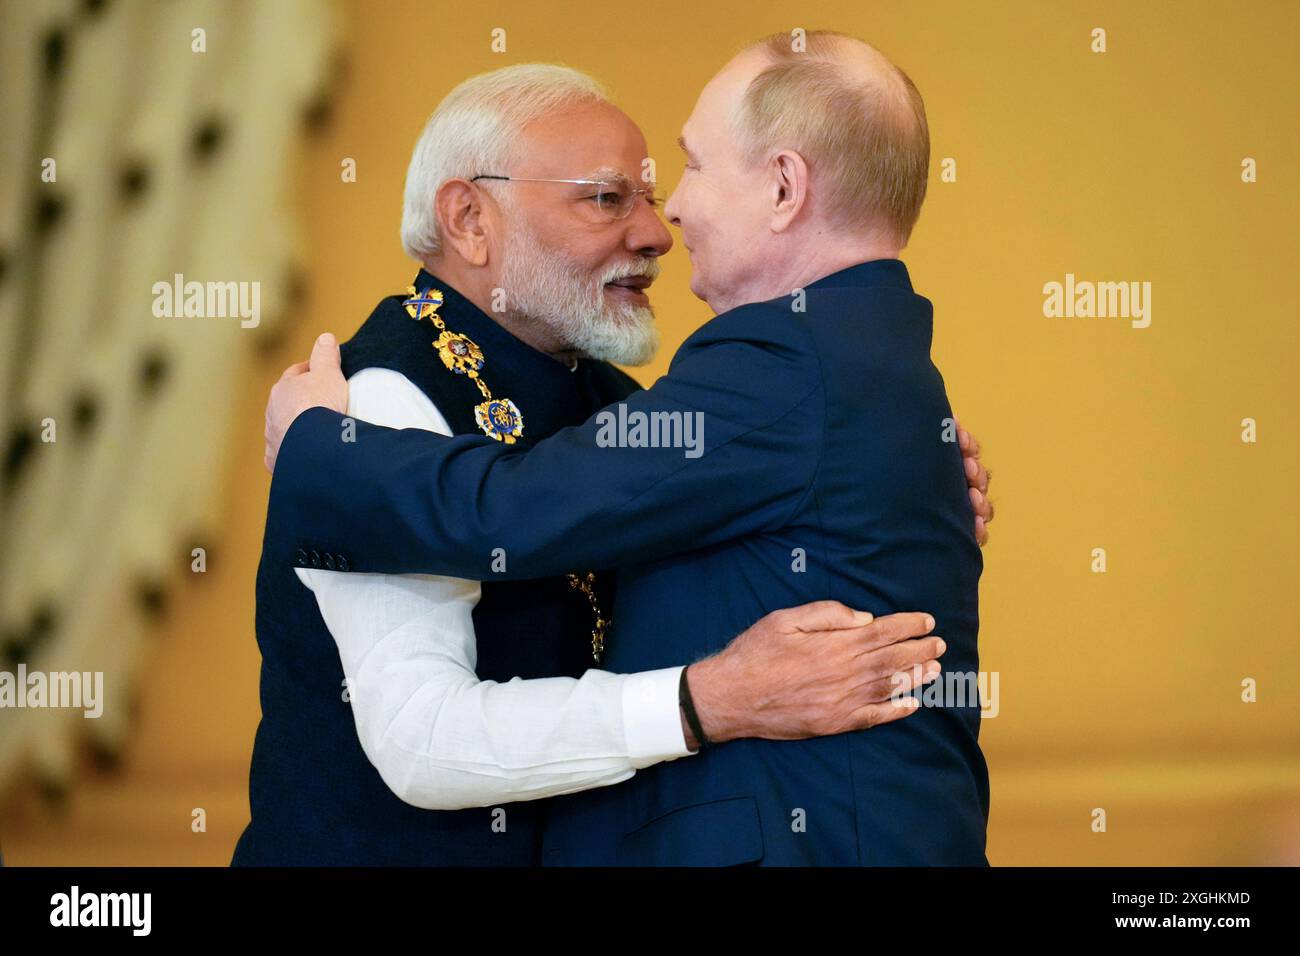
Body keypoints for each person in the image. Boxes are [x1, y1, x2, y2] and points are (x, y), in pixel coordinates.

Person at [261, 33, 996, 865]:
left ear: (786, 187)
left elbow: (526, 508)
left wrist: (314, 447)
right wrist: (704, 701)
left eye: (669, 184)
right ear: (470, 218)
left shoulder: (698, 389)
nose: (660, 227)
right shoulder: (378, 398)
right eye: (608, 199)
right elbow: (422, 736)